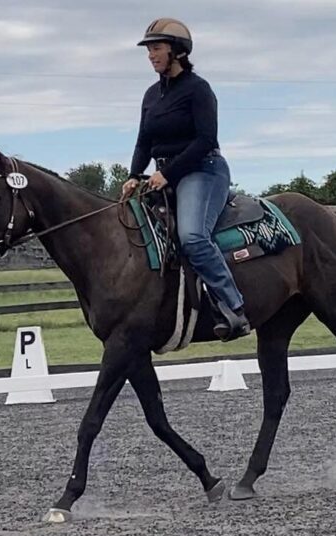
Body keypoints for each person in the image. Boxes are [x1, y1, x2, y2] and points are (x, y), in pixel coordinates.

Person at [120, 17, 250, 342]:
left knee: (192, 237)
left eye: (157, 48)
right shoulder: (151, 95)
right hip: (165, 176)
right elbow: (143, 142)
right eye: (149, 50)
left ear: (177, 51)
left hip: (203, 171)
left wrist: (167, 173)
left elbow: (206, 139)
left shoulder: (198, 90)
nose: (151, 55)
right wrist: (135, 175)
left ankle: (234, 307)